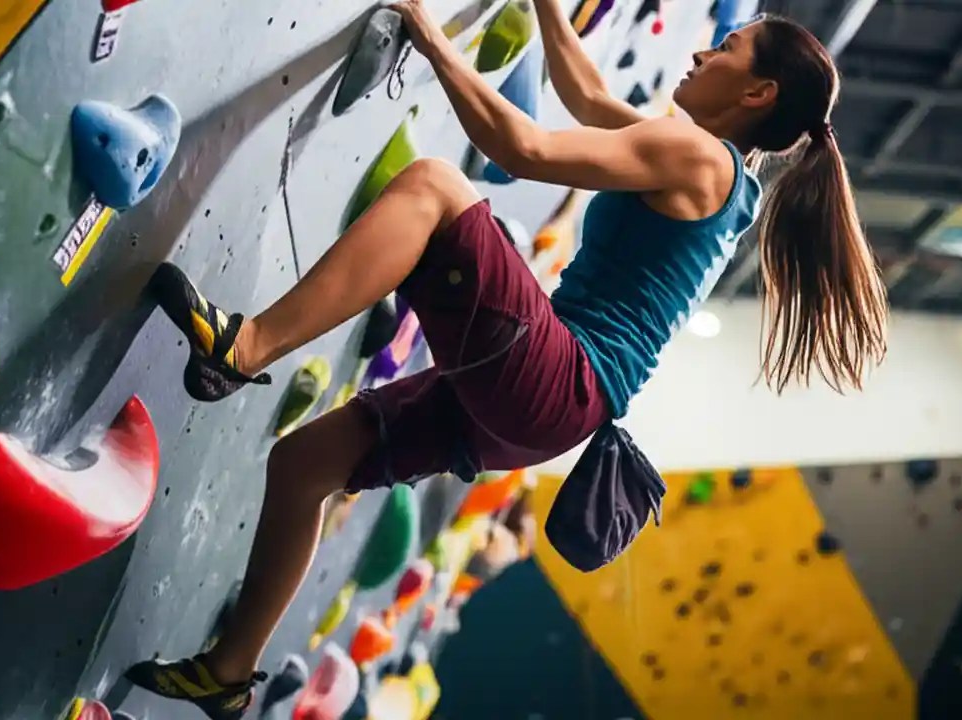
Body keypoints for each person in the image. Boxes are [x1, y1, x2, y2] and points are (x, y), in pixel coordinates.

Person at [125, 1, 888, 717]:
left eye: (724, 47)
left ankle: (244, 347)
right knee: (305, 465)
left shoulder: (699, 157)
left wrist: (426, 31)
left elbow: (522, 148)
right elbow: (587, 98)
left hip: (555, 382)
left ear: (757, 90)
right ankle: (229, 675)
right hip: (543, 415)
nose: (700, 49)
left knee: (431, 185)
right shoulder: (723, 181)